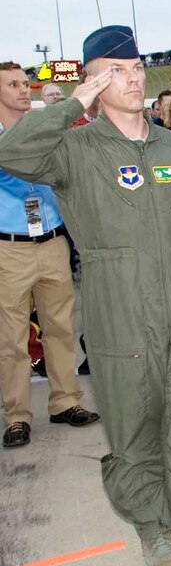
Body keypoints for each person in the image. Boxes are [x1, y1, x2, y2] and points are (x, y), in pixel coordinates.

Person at [0, 26, 171, 566]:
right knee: (136, 417)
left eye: (136, 68)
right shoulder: (74, 149)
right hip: (119, 301)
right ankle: (153, 529)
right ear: (93, 80)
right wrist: (75, 104)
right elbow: (11, 152)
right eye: (116, 71)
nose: (133, 79)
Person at [0, 62, 99, 449]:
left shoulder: (49, 132)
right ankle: (17, 416)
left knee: (60, 328)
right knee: (12, 339)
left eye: (26, 83)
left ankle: (65, 401)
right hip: (10, 247)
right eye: (13, 84)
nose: (24, 90)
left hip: (54, 241)